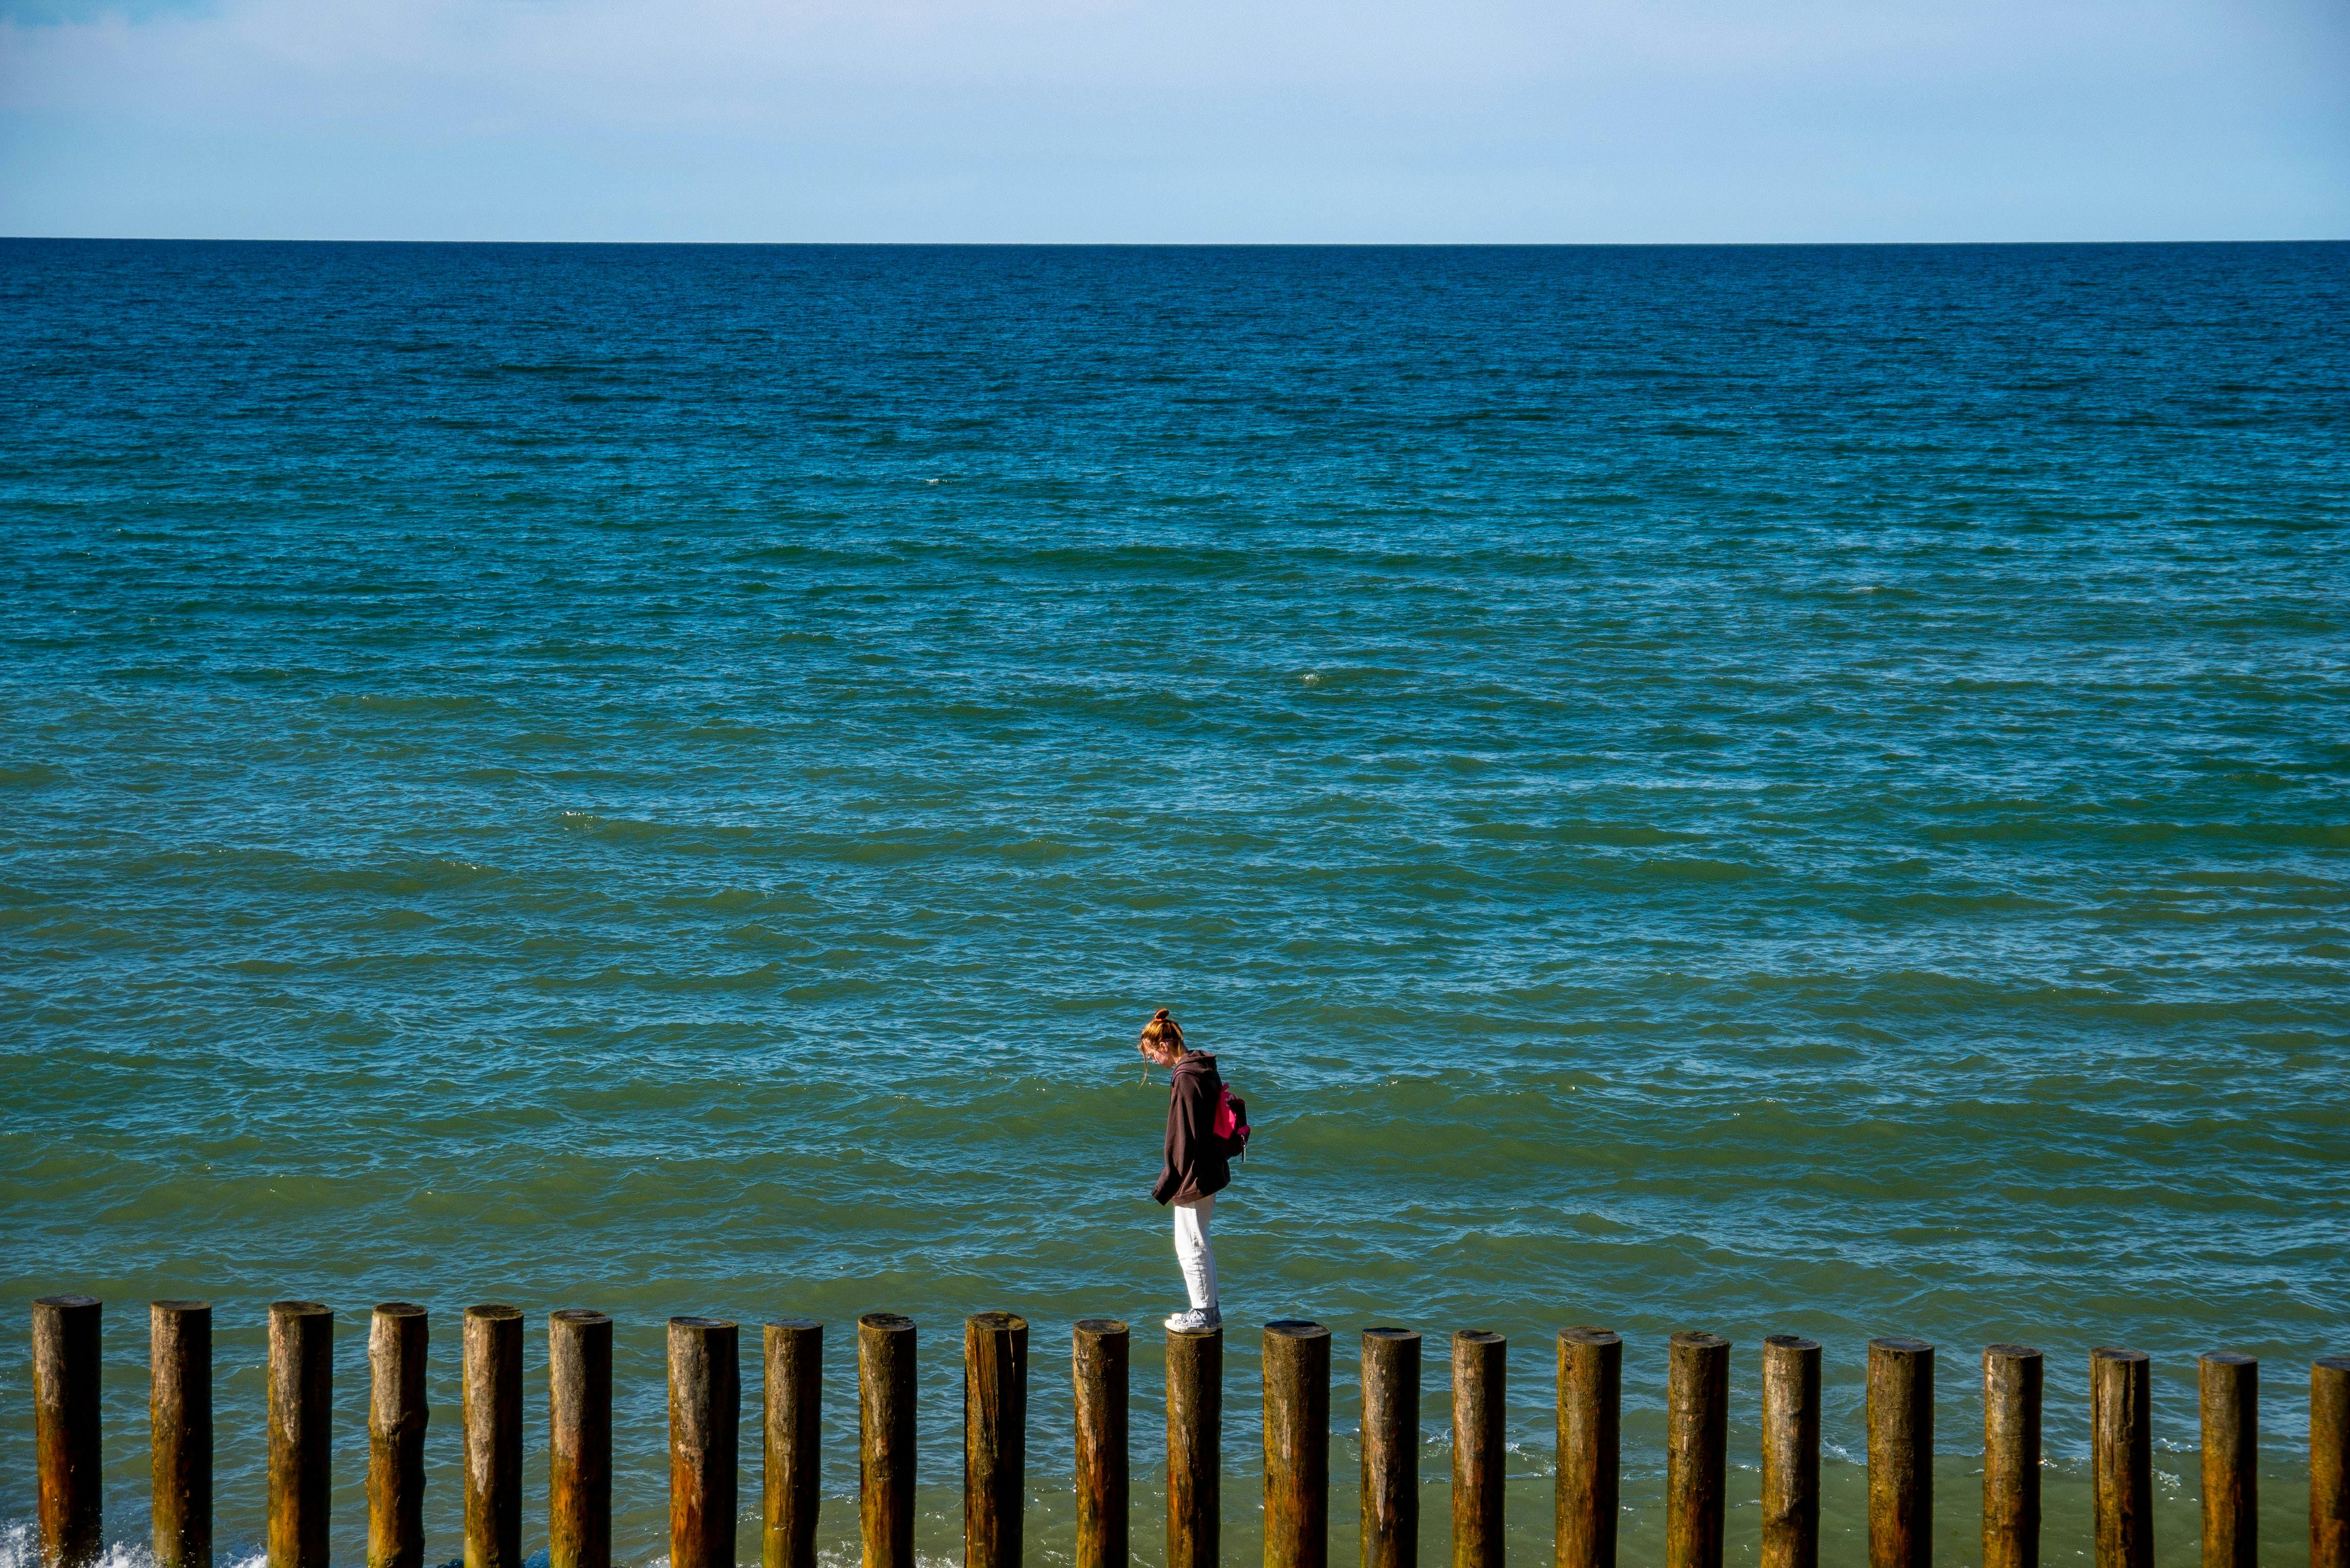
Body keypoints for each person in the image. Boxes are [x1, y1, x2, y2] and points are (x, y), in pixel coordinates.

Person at [1140, 1008, 1231, 1331]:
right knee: (1199, 1239)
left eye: (1151, 1056)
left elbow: (1183, 1137)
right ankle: (1210, 1310)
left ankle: (1204, 1313)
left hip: (1195, 1173)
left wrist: (1168, 1183)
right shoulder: (1202, 1067)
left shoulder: (1186, 1077)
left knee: (1189, 1244)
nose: (1154, 1062)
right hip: (1211, 1167)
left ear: (1164, 1044)